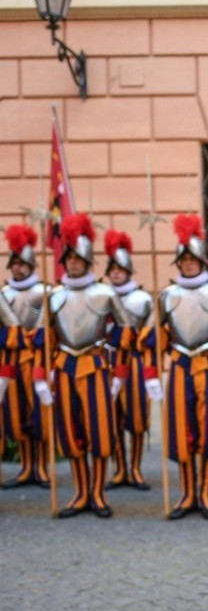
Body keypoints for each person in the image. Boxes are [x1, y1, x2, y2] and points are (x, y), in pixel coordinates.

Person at [33, 213, 133, 518]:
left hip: (95, 366)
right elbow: (42, 339)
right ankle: (79, 493)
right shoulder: (53, 296)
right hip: (64, 369)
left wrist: (119, 374)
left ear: (88, 262)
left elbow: (125, 332)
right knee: (70, 433)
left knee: (100, 434)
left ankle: (98, 494)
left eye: (78, 259)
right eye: (70, 259)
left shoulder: (105, 293)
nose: (73, 263)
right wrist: (40, 378)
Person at [142, 214, 208, 520]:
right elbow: (151, 337)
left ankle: (206, 495)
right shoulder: (167, 295)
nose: (188, 264)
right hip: (180, 366)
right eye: (183, 260)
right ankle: (186, 493)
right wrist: (150, 373)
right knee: (183, 434)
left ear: (202, 262)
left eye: (193, 259)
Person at [103, 230, 153, 491]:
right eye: (112, 269)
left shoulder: (142, 299)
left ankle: (134, 468)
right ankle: (119, 468)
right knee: (112, 418)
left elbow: (150, 335)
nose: (116, 273)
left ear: (128, 270)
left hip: (134, 363)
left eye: (120, 269)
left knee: (135, 418)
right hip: (108, 364)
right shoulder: (99, 297)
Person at [1, 224, 49, 490]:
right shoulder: (4, 295)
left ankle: (41, 466)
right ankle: (26, 466)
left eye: (22, 263)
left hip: (36, 362)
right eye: (14, 264)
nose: (18, 268)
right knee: (16, 416)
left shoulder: (44, 293)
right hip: (11, 364)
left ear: (31, 264)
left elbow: (49, 331)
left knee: (38, 416)